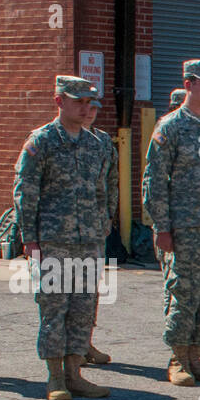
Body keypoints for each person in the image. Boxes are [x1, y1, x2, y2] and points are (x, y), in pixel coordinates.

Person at [14, 75, 113, 400]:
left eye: (89, 102)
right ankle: (55, 377)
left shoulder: (95, 144)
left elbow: (102, 191)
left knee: (82, 308)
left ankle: (75, 373)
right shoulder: (41, 142)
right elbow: (25, 192)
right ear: (59, 101)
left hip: (88, 240)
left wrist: (102, 227)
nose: (85, 108)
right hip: (53, 240)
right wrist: (30, 239)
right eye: (78, 102)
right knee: (54, 308)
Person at [143, 59, 200, 387]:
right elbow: (155, 180)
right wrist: (162, 227)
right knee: (185, 292)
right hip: (185, 227)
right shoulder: (170, 127)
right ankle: (178, 358)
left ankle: (197, 354)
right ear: (188, 83)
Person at [80, 94, 117, 366]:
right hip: (61, 231)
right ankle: (67, 352)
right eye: (86, 106)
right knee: (60, 296)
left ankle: (84, 342)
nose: (90, 112)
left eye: (94, 107)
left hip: (94, 228)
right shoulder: (49, 139)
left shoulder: (103, 142)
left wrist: (108, 218)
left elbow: (111, 183)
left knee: (89, 290)